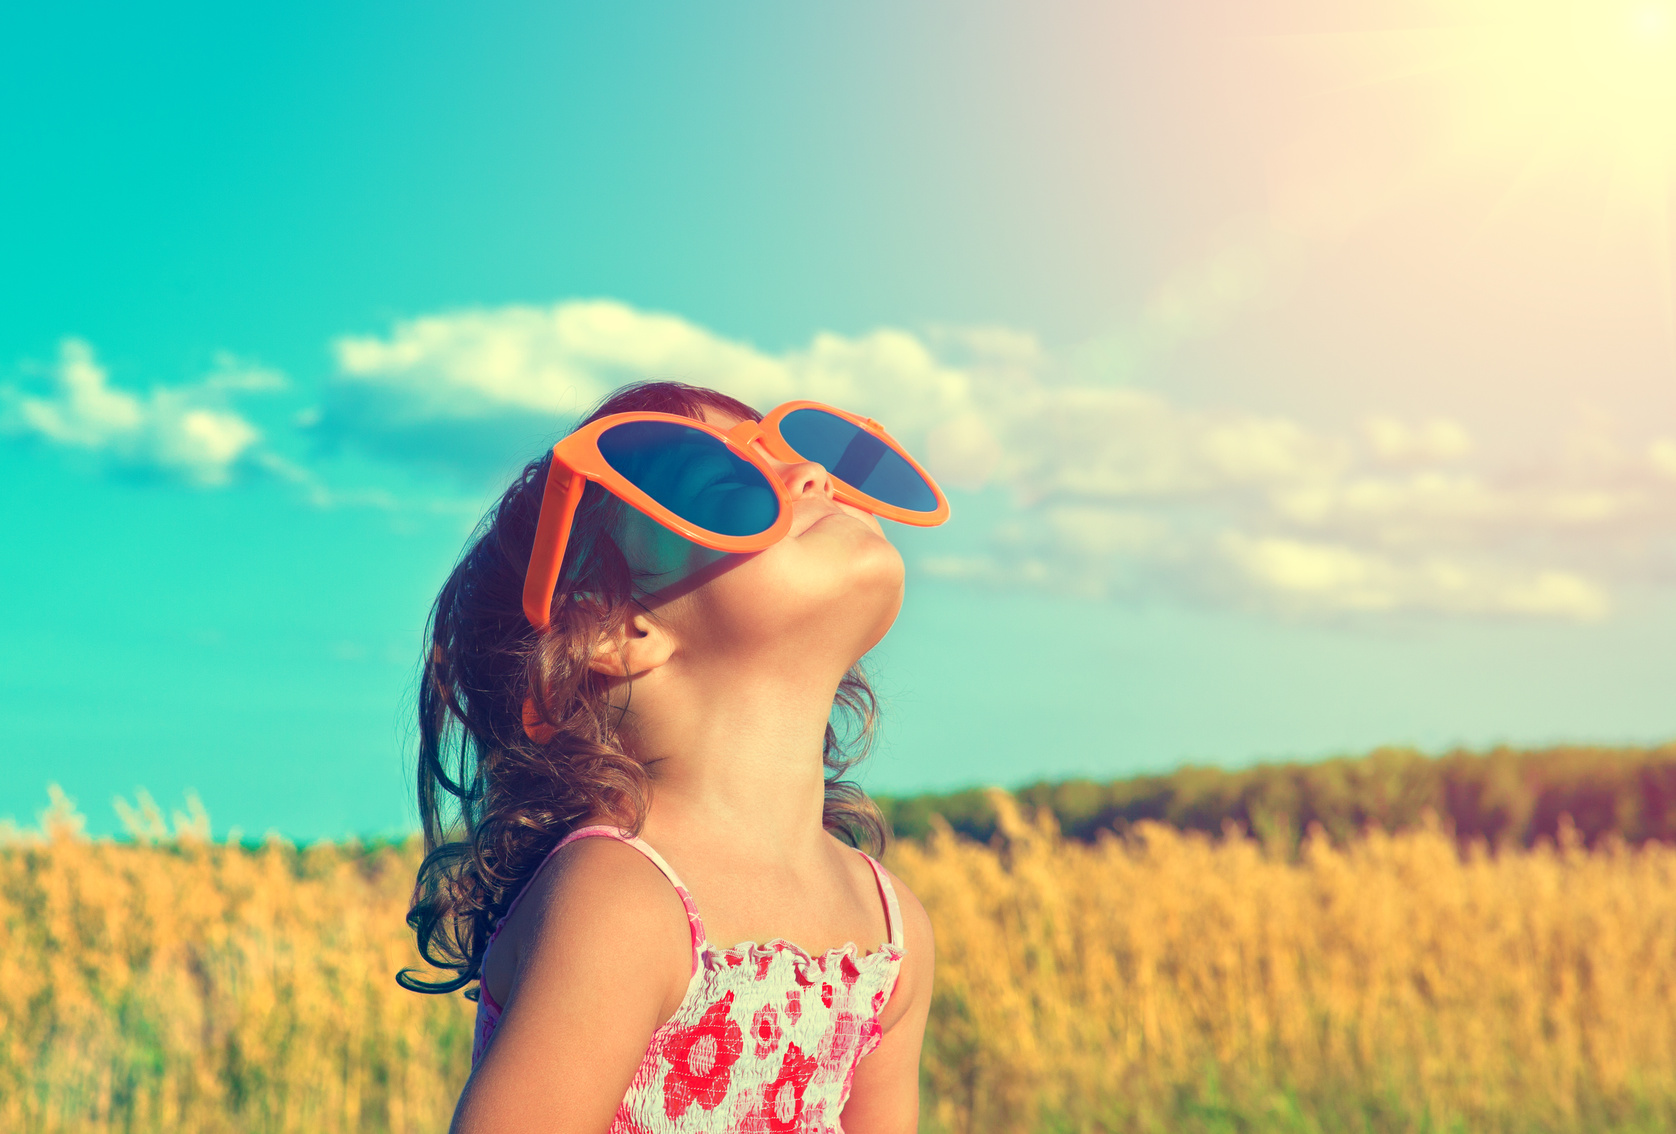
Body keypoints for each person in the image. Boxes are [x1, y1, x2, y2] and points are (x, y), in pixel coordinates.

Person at [399, 380, 947, 1133]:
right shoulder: (621, 902)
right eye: (729, 489)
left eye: (800, 454)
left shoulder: (891, 931)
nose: (814, 479)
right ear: (612, 626)